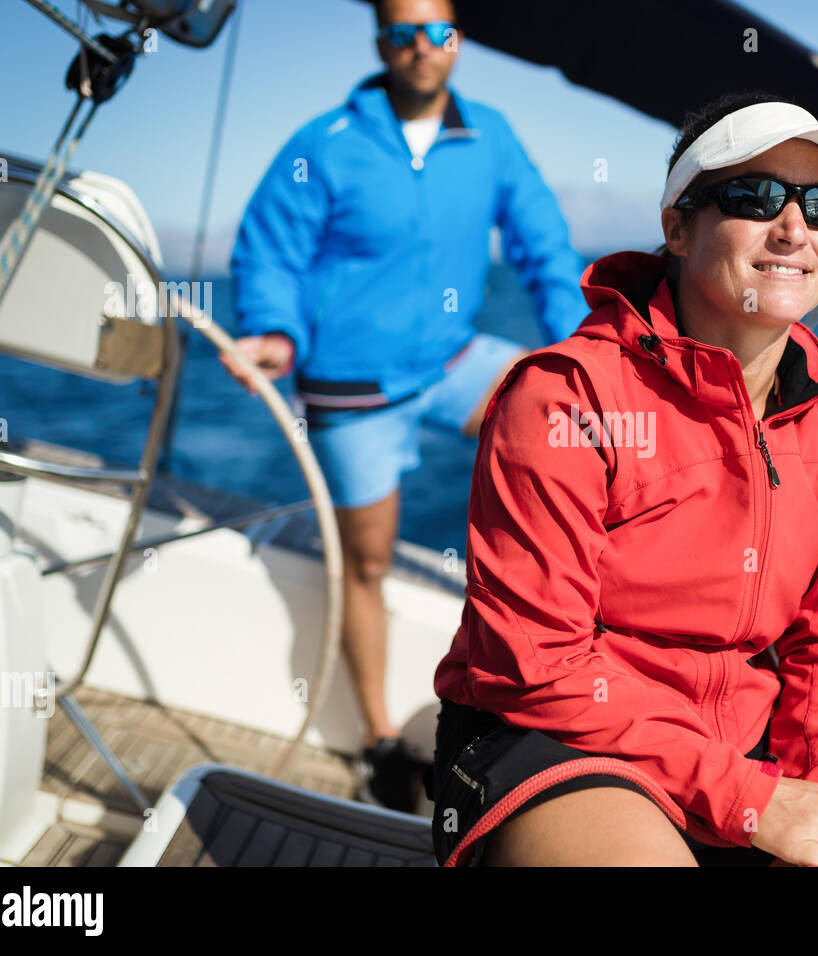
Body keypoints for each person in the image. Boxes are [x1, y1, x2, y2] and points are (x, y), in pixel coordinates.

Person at [426, 91, 818, 866]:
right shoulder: (568, 397)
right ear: (676, 226)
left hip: (745, 742)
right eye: (754, 196)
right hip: (552, 741)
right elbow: (538, 667)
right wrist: (751, 803)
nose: (795, 228)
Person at [222, 0, 588, 811]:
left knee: (574, 424)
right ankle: (382, 744)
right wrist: (274, 336)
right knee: (370, 561)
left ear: (457, 39)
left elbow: (545, 247)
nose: (421, 46)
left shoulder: (488, 135)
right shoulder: (327, 143)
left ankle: (563, 675)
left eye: (437, 29)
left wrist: (584, 348)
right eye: (402, 31)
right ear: (380, 39)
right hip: (351, 386)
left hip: (452, 359)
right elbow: (269, 250)